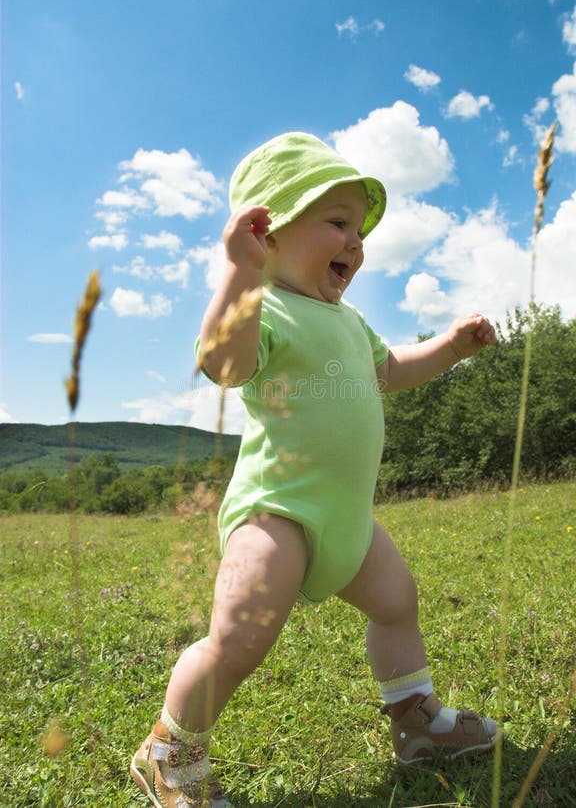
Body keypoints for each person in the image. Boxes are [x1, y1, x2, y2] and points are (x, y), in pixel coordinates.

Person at [130, 132, 499, 808]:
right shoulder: (265, 307)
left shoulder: (351, 323)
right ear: (268, 233)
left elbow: (390, 371)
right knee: (240, 635)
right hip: (277, 513)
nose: (355, 244)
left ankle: (416, 721)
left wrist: (448, 347)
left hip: (348, 519)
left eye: (358, 231)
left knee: (398, 603)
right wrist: (239, 276)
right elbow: (224, 363)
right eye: (336, 223)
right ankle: (169, 750)